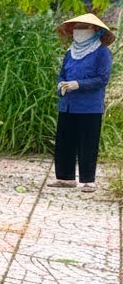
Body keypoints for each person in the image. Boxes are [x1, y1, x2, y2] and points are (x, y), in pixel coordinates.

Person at [52, 13, 114, 192]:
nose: (79, 30)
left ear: (95, 31)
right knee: (64, 140)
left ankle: (88, 180)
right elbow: (63, 73)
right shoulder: (70, 52)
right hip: (68, 104)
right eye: (77, 27)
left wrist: (78, 84)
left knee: (88, 142)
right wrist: (61, 84)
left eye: (84, 27)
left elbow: (102, 78)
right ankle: (65, 177)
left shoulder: (102, 52)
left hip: (89, 106)